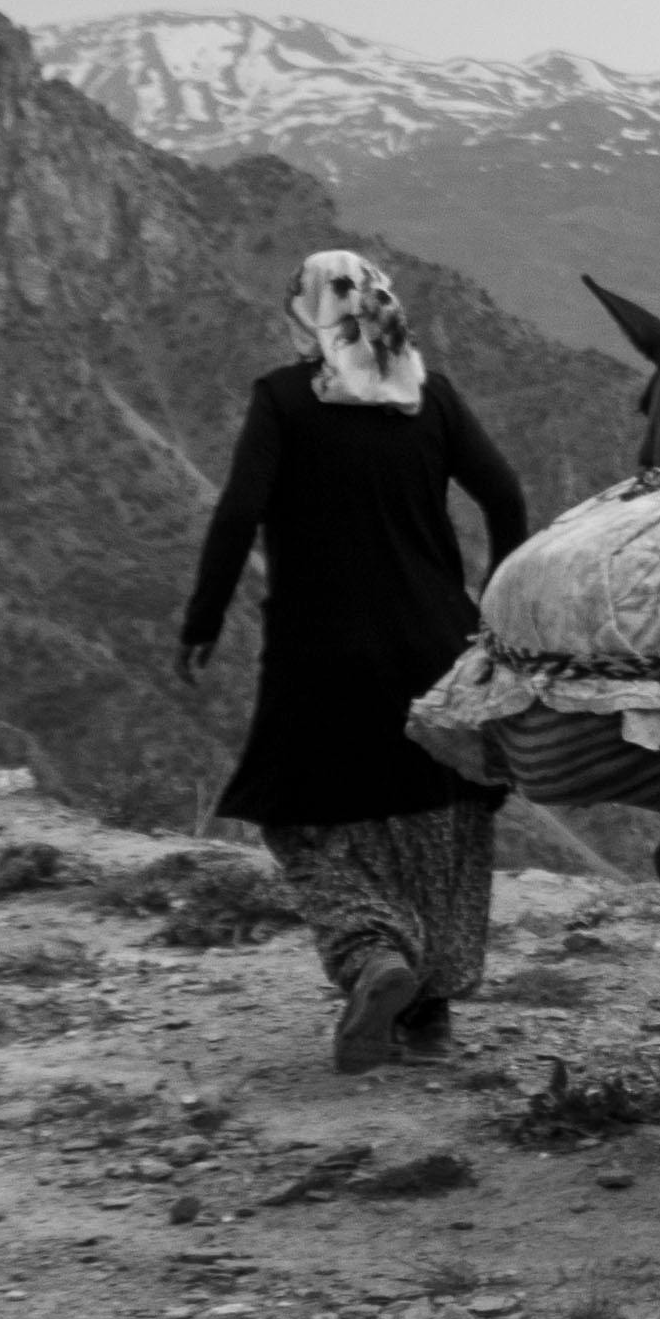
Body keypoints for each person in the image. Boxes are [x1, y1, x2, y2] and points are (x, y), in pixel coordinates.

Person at [180, 251, 533, 1072]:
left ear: (311, 316)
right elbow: (507, 495)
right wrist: (499, 611)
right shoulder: (431, 397)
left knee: (302, 818)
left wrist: (203, 619)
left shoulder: (282, 400)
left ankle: (371, 955)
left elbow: (238, 512)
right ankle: (431, 1019)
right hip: (437, 645)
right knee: (438, 817)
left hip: (320, 654)